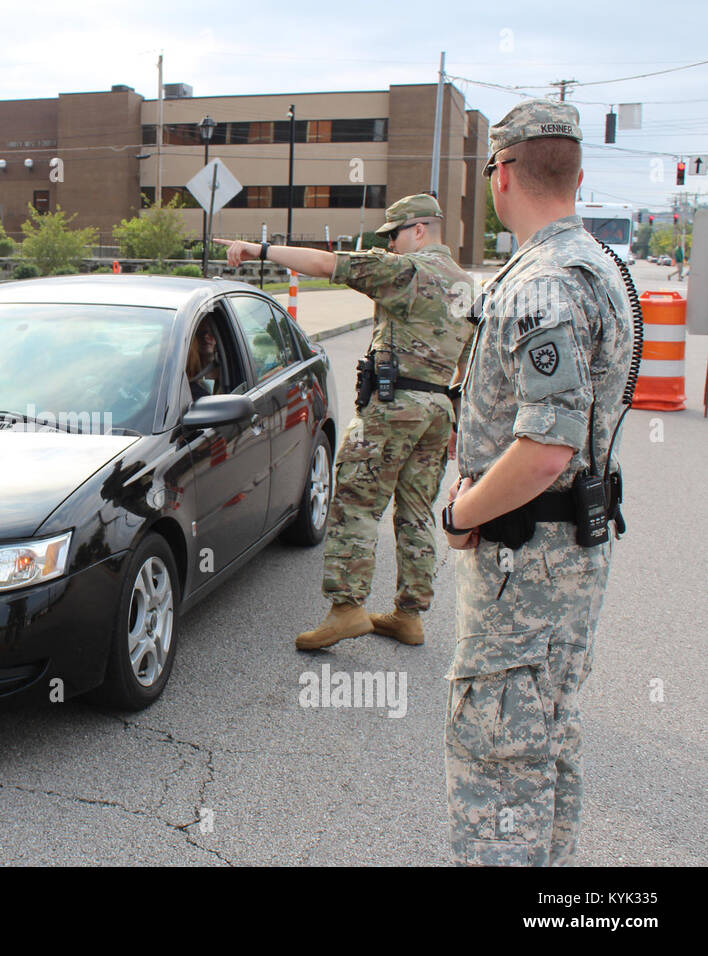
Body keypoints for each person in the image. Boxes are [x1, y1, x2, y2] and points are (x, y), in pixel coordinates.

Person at [442, 99, 633, 866]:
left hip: (527, 571)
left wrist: (463, 512)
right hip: (567, 565)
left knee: (497, 767)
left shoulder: (542, 284)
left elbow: (546, 449)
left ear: (503, 175)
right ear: (579, 176)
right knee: (545, 748)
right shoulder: (601, 267)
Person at [219, 194, 473, 651]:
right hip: (437, 411)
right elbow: (468, 360)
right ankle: (409, 616)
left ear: (418, 230)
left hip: (394, 408)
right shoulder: (466, 284)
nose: (390, 245)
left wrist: (257, 249)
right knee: (415, 511)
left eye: (392, 235)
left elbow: (323, 263)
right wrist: (451, 412)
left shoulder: (407, 271)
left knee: (355, 502)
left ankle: (346, 608)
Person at [187, 318, 220, 400]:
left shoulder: (226, 369)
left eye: (211, 333)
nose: (206, 336)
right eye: (201, 333)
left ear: (217, 337)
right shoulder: (188, 370)